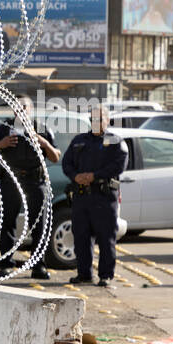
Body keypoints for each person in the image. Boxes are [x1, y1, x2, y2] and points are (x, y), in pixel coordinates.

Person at [0, 95, 61, 280]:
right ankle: (6, 264)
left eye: (24, 107)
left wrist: (44, 143)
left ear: (30, 109)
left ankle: (38, 266)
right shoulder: (4, 128)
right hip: (11, 181)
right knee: (8, 224)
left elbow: (55, 157)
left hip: (35, 181)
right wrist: (1, 144)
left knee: (39, 226)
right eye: (17, 107)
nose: (20, 110)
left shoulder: (41, 128)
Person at [61, 105, 127, 287]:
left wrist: (94, 176)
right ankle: (84, 274)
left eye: (99, 119)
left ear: (107, 120)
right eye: (93, 119)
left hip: (104, 197)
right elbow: (67, 163)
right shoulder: (79, 141)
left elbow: (119, 165)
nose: (96, 122)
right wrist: (75, 176)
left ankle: (105, 275)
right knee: (81, 237)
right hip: (82, 197)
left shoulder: (115, 142)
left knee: (106, 238)